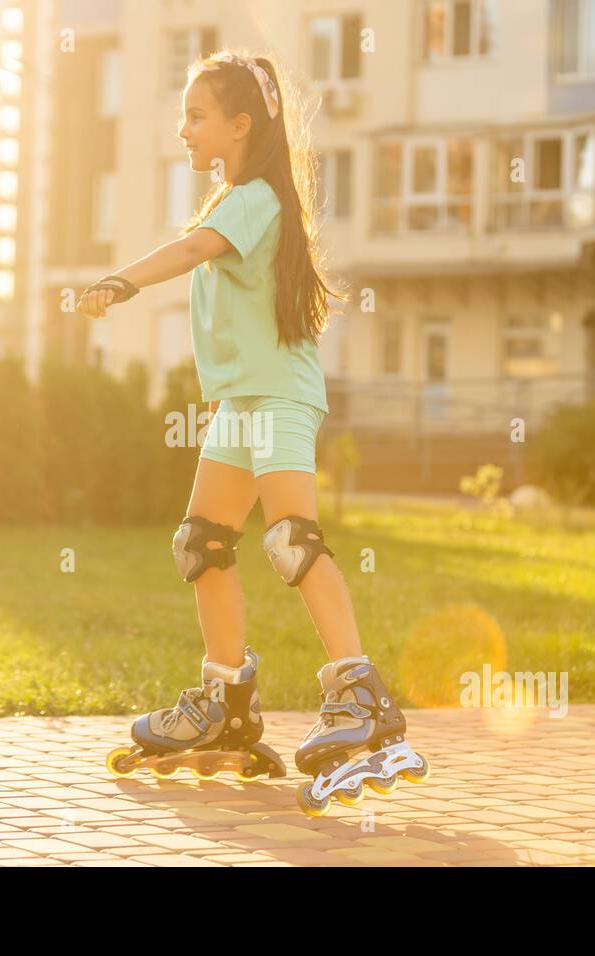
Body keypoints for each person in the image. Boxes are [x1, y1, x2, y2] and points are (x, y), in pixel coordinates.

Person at [83, 50, 427, 813]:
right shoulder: (240, 197)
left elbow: (193, 249)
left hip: (276, 398)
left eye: (197, 116)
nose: (183, 129)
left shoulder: (255, 199)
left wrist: (120, 281)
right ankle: (226, 702)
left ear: (241, 126)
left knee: (291, 541)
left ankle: (360, 695)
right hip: (241, 403)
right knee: (202, 544)